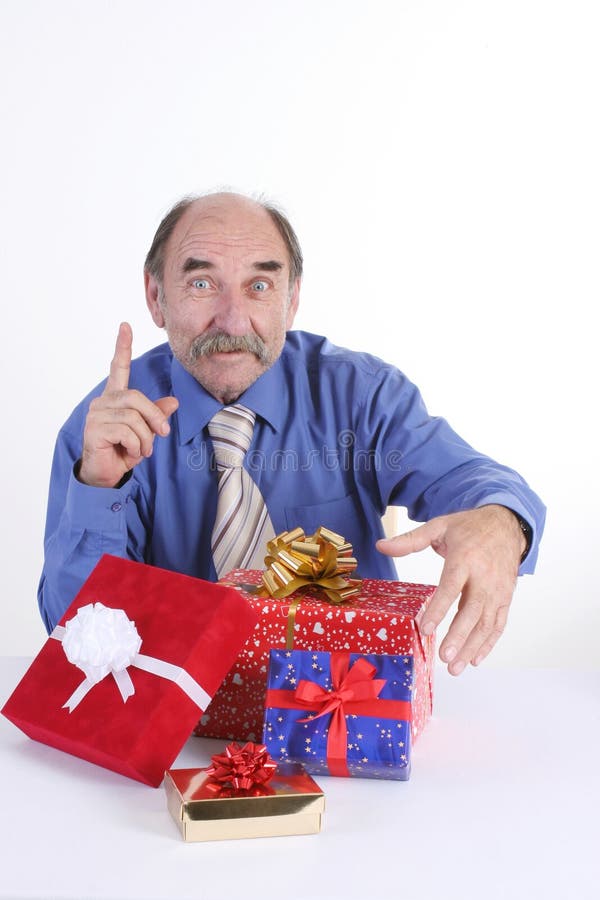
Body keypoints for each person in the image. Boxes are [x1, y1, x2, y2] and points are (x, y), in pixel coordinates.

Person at [38, 191, 545, 676]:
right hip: (174, 726)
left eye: (259, 286)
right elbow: (74, 636)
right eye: (201, 283)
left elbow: (469, 478)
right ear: (156, 296)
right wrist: (98, 488)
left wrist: (500, 521)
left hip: (344, 714)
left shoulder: (360, 396)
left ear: (292, 298)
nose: (233, 320)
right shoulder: (104, 429)